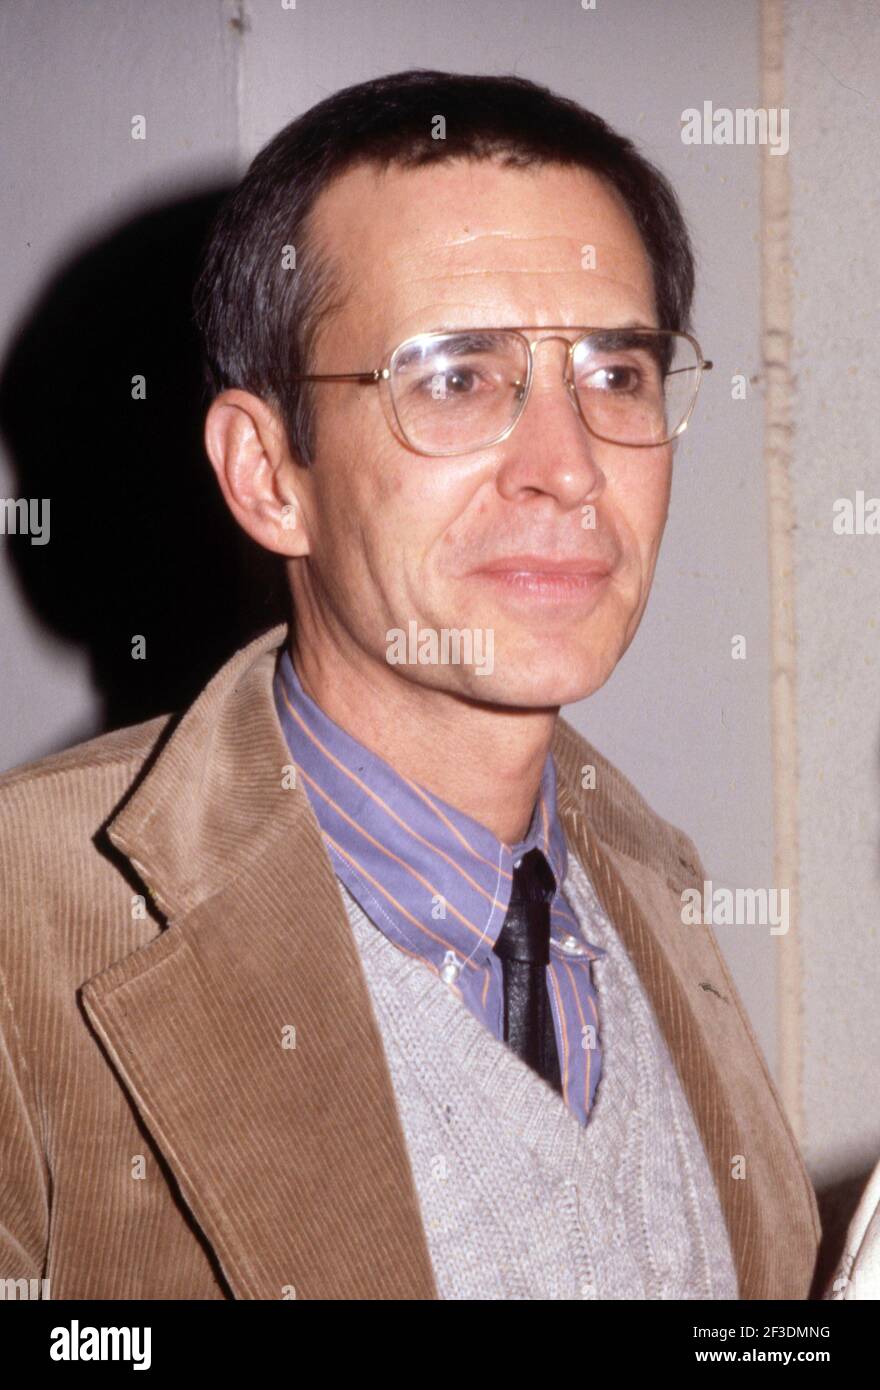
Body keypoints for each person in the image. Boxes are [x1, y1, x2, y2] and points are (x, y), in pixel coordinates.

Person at [0, 69, 819, 1300]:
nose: (568, 468)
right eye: (454, 377)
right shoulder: (28, 927)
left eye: (616, 375)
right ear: (270, 472)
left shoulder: (650, 882)